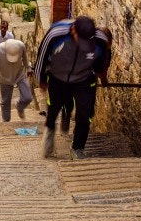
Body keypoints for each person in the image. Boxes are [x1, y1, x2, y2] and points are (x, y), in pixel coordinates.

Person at [35, 16, 112, 160]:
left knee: (85, 114)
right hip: (58, 77)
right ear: (73, 30)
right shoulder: (55, 34)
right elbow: (42, 57)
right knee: (53, 108)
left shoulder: (100, 41)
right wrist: (41, 79)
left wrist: (101, 77)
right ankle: (49, 136)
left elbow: (101, 63)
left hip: (84, 79)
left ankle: (78, 148)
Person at [0, 38, 33, 122]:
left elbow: (25, 58)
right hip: (5, 78)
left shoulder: (21, 46)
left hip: (19, 74)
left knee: (28, 97)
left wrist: (29, 68)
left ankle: (19, 106)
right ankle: (6, 122)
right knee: (6, 102)